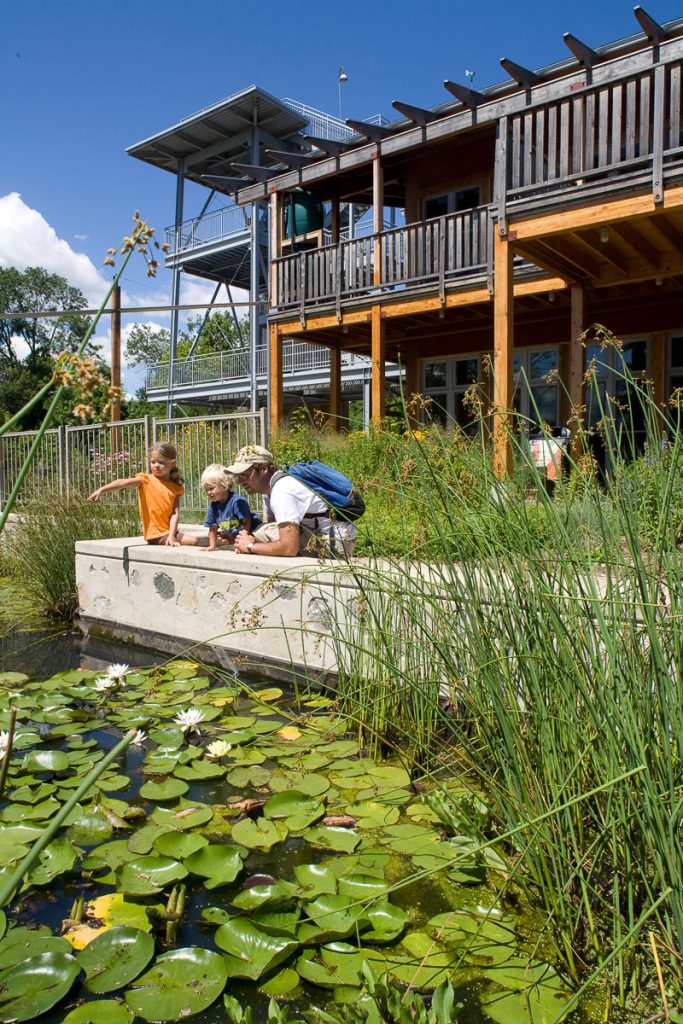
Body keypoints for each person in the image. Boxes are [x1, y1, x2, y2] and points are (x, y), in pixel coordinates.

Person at [225, 445, 357, 558]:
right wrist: (249, 540)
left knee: (261, 532)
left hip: (334, 548)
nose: (240, 482)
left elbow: (289, 548)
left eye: (244, 475)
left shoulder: (282, 491)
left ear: (264, 468)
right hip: (333, 539)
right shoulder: (270, 490)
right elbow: (272, 527)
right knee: (261, 531)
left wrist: (249, 545)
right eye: (237, 477)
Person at [88, 441, 197, 547]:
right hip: (154, 534)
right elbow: (123, 482)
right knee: (193, 542)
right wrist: (102, 490)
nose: (156, 466)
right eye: (153, 462)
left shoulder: (175, 488)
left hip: (169, 532)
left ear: (172, 463)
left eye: (161, 462)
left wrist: (172, 535)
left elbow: (175, 513)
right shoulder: (146, 481)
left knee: (195, 541)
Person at [200, 463, 262, 551]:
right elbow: (212, 528)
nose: (209, 492)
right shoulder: (213, 506)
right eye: (206, 490)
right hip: (238, 534)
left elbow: (246, 523)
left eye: (211, 488)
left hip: (254, 531)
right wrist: (212, 546)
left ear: (224, 485)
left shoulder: (237, 502)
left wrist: (241, 544)